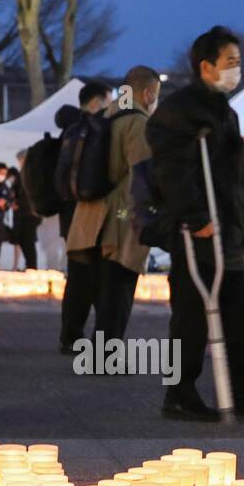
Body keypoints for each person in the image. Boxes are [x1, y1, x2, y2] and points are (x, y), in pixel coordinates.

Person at [147, 25, 244, 420]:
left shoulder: (225, 109)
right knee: (190, 318)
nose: (237, 69)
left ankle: (237, 390)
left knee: (243, 319)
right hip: (195, 232)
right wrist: (196, 217)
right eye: (229, 62)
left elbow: (232, 176)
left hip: (228, 230)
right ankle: (179, 393)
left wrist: (242, 221)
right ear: (206, 66)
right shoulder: (181, 110)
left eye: (238, 61)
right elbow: (172, 169)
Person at [66, 65, 161, 342]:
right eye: (156, 95)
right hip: (120, 222)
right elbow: (142, 175)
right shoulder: (138, 123)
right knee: (117, 294)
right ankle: (107, 354)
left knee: (96, 289)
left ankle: (84, 344)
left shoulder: (105, 115)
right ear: (147, 93)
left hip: (89, 219)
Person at [57, 80, 113, 352]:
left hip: (69, 211)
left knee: (77, 277)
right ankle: (94, 340)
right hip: (91, 210)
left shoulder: (69, 129)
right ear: (97, 100)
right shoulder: (96, 128)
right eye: (109, 98)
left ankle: (70, 335)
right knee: (98, 279)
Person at [9, 149, 40, 270]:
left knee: (28, 241)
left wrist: (17, 202)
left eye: (21, 160)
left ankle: (32, 267)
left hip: (29, 213)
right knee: (22, 240)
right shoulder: (22, 174)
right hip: (22, 213)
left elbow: (30, 194)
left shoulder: (32, 174)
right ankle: (30, 266)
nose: (20, 163)